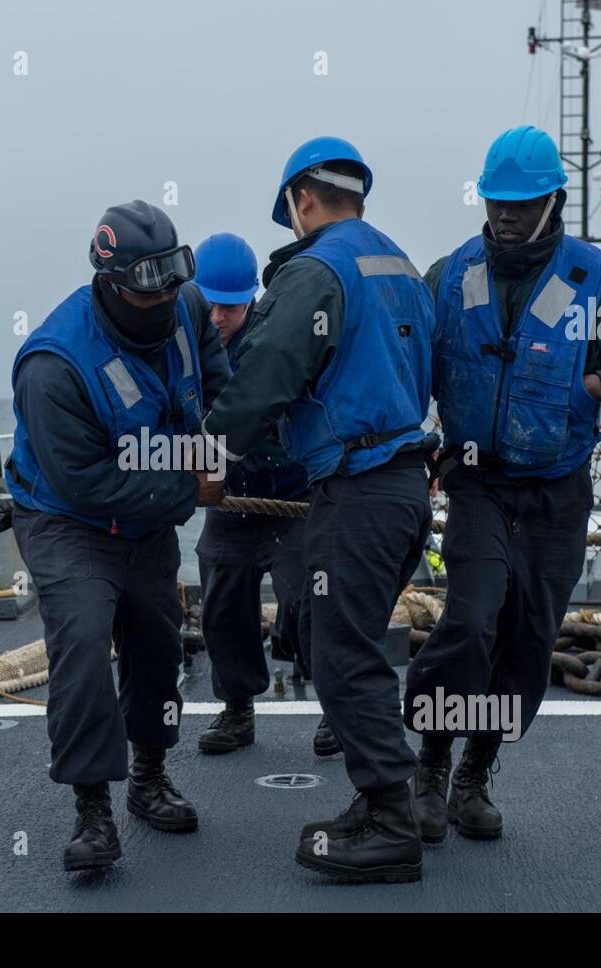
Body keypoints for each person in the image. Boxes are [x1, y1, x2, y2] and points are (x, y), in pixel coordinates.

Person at [404, 126, 601, 843]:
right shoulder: (450, 274)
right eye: (496, 201)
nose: (505, 215)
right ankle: (432, 764)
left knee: (528, 642)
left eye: (522, 203)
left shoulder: (599, 281)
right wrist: (419, 447)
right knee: (470, 619)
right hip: (478, 485)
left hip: (558, 493)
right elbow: (407, 369)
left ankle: (476, 773)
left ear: (554, 201)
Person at [203, 137, 436, 883]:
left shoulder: (317, 269)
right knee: (353, 642)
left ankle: (389, 822)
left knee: (341, 653)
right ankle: (380, 803)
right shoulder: (399, 266)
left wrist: (209, 452)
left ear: (303, 200)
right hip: (406, 483)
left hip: (356, 489)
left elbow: (265, 373)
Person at [2, 199, 229, 872]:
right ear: (110, 282)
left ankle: (149, 776)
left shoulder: (186, 308)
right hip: (69, 521)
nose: (163, 300)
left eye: (172, 282)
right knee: (80, 641)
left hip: (148, 515)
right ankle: (92, 810)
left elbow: (217, 381)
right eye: (147, 288)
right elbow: (87, 486)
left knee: (158, 642)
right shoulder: (55, 365)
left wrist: (234, 441)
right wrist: (192, 488)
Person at [190, 233, 311, 755]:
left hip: (293, 498)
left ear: (250, 301)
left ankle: (337, 707)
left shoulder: (275, 342)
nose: (217, 316)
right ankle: (238, 708)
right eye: (209, 303)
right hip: (230, 504)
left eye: (230, 305)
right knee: (220, 602)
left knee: (314, 599)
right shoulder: (180, 345)